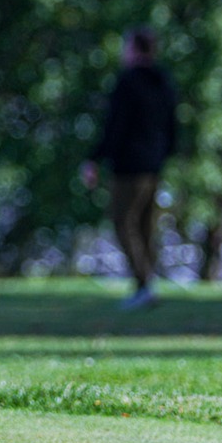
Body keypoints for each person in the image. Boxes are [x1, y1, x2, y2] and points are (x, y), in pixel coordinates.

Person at [79, 26, 179, 310]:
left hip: (128, 168)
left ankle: (144, 284)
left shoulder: (128, 82)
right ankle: (148, 283)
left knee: (123, 223)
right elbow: (172, 127)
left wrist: (95, 158)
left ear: (134, 49)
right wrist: (163, 156)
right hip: (154, 166)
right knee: (145, 227)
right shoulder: (163, 81)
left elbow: (116, 126)